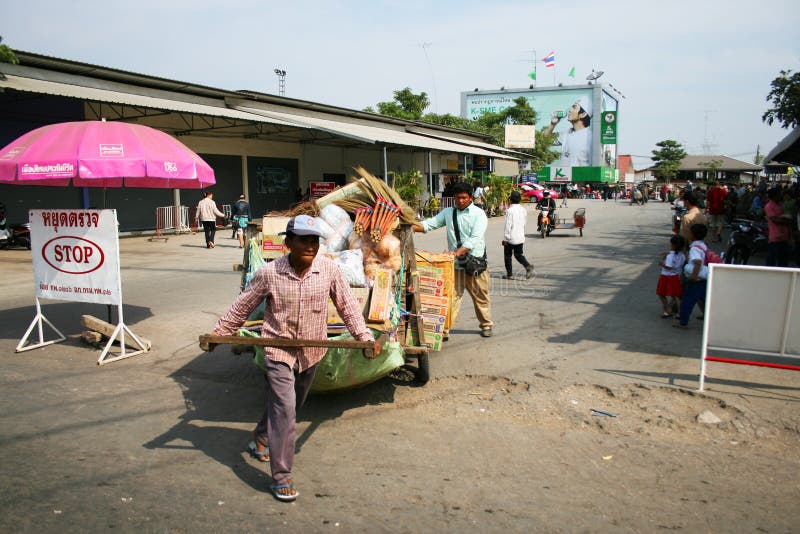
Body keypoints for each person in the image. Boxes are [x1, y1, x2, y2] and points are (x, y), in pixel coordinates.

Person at [202, 215, 379, 502]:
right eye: (303, 240)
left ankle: (261, 437)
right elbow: (242, 306)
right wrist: (219, 333)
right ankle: (281, 477)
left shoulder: (329, 270)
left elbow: (347, 307)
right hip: (278, 350)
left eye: (314, 241)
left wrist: (364, 337)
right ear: (288, 243)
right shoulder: (269, 273)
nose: (310, 246)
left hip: (312, 351)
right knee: (285, 409)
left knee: (289, 404)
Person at [413, 181, 493, 338]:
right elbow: (430, 224)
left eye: (464, 197)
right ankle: (444, 329)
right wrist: (408, 225)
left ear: (470, 197)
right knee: (450, 297)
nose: (460, 201)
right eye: (457, 198)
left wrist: (457, 253)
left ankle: (486, 324)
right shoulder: (448, 212)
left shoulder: (478, 214)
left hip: (474, 264)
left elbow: (474, 239)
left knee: (480, 296)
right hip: (454, 265)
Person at [674, 224, 709, 329]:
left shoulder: (694, 248)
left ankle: (683, 323)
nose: (688, 234)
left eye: (689, 232)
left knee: (687, 301)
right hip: (704, 278)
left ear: (693, 235)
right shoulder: (703, 245)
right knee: (704, 299)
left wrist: (693, 276)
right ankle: (709, 317)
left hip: (696, 279)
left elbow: (697, 262)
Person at [544, 96, 592, 167]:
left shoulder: (591, 138)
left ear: (583, 114)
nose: (570, 110)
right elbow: (545, 140)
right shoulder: (567, 133)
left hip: (581, 177)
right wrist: (553, 124)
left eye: (574, 107)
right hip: (563, 177)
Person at [501, 191, 534, 280]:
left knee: (508, 256)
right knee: (518, 254)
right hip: (520, 236)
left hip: (511, 237)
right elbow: (524, 223)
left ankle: (509, 274)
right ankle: (527, 266)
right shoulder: (523, 210)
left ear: (510, 200)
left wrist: (506, 238)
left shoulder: (510, 210)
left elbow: (508, 225)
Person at [657, 235, 686, 318]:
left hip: (666, 276)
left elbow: (669, 267)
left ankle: (668, 309)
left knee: (661, 293)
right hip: (676, 276)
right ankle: (680, 313)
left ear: (672, 245)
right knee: (676, 295)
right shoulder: (682, 255)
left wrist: (662, 263)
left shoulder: (670, 256)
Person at [765, 187, 790, 267]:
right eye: (779, 194)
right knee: (772, 261)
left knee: (783, 261)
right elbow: (774, 219)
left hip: (784, 236)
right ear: (774, 196)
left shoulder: (780, 204)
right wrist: (787, 221)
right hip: (775, 237)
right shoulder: (769, 206)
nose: (781, 196)